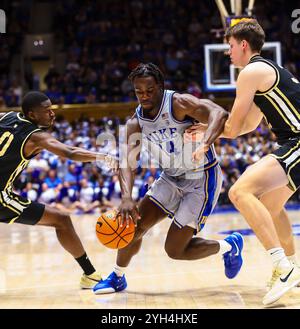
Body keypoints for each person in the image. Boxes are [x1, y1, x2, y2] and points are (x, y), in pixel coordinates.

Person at [93, 63, 244, 294]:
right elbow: (127, 162)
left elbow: (218, 113)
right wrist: (126, 197)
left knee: (174, 250)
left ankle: (228, 246)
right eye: (139, 92)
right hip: (170, 178)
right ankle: (117, 276)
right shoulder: (135, 123)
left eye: (150, 90)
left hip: (201, 179)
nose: (144, 96)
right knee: (132, 226)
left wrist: (206, 142)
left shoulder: (179, 103)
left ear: (160, 87)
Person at [192, 19, 300, 305]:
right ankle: (291, 267)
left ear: (243, 45)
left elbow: (233, 124)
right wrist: (208, 131)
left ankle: (282, 267)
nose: (227, 52)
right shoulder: (264, 71)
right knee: (271, 207)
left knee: (239, 192)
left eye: (229, 46)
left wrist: (207, 130)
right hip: (295, 143)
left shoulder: (251, 71)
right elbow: (243, 128)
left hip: (299, 141)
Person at [0, 91, 117, 289]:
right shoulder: (35, 137)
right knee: (62, 220)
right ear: (32, 114)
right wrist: (102, 156)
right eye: (47, 111)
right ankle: (90, 275)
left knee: (62, 219)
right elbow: (69, 152)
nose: (52, 114)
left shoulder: (8, 116)